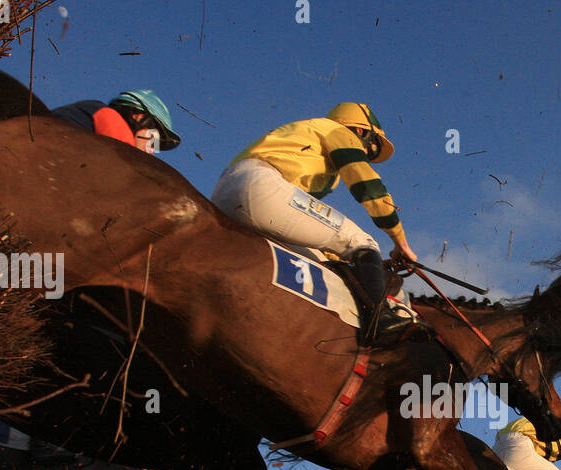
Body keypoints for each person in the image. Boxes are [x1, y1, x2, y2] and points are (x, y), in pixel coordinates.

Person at [210, 103, 423, 345]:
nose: (366, 153)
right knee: (362, 242)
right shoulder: (338, 131)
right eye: (369, 147)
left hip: (225, 195)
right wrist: (400, 241)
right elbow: (368, 187)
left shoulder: (307, 136)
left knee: (323, 262)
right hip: (260, 187)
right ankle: (379, 321)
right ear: (361, 132)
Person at [50, 89, 182, 154]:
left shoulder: (94, 113)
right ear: (139, 117)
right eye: (154, 141)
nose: (152, 151)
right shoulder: (110, 117)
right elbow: (128, 163)